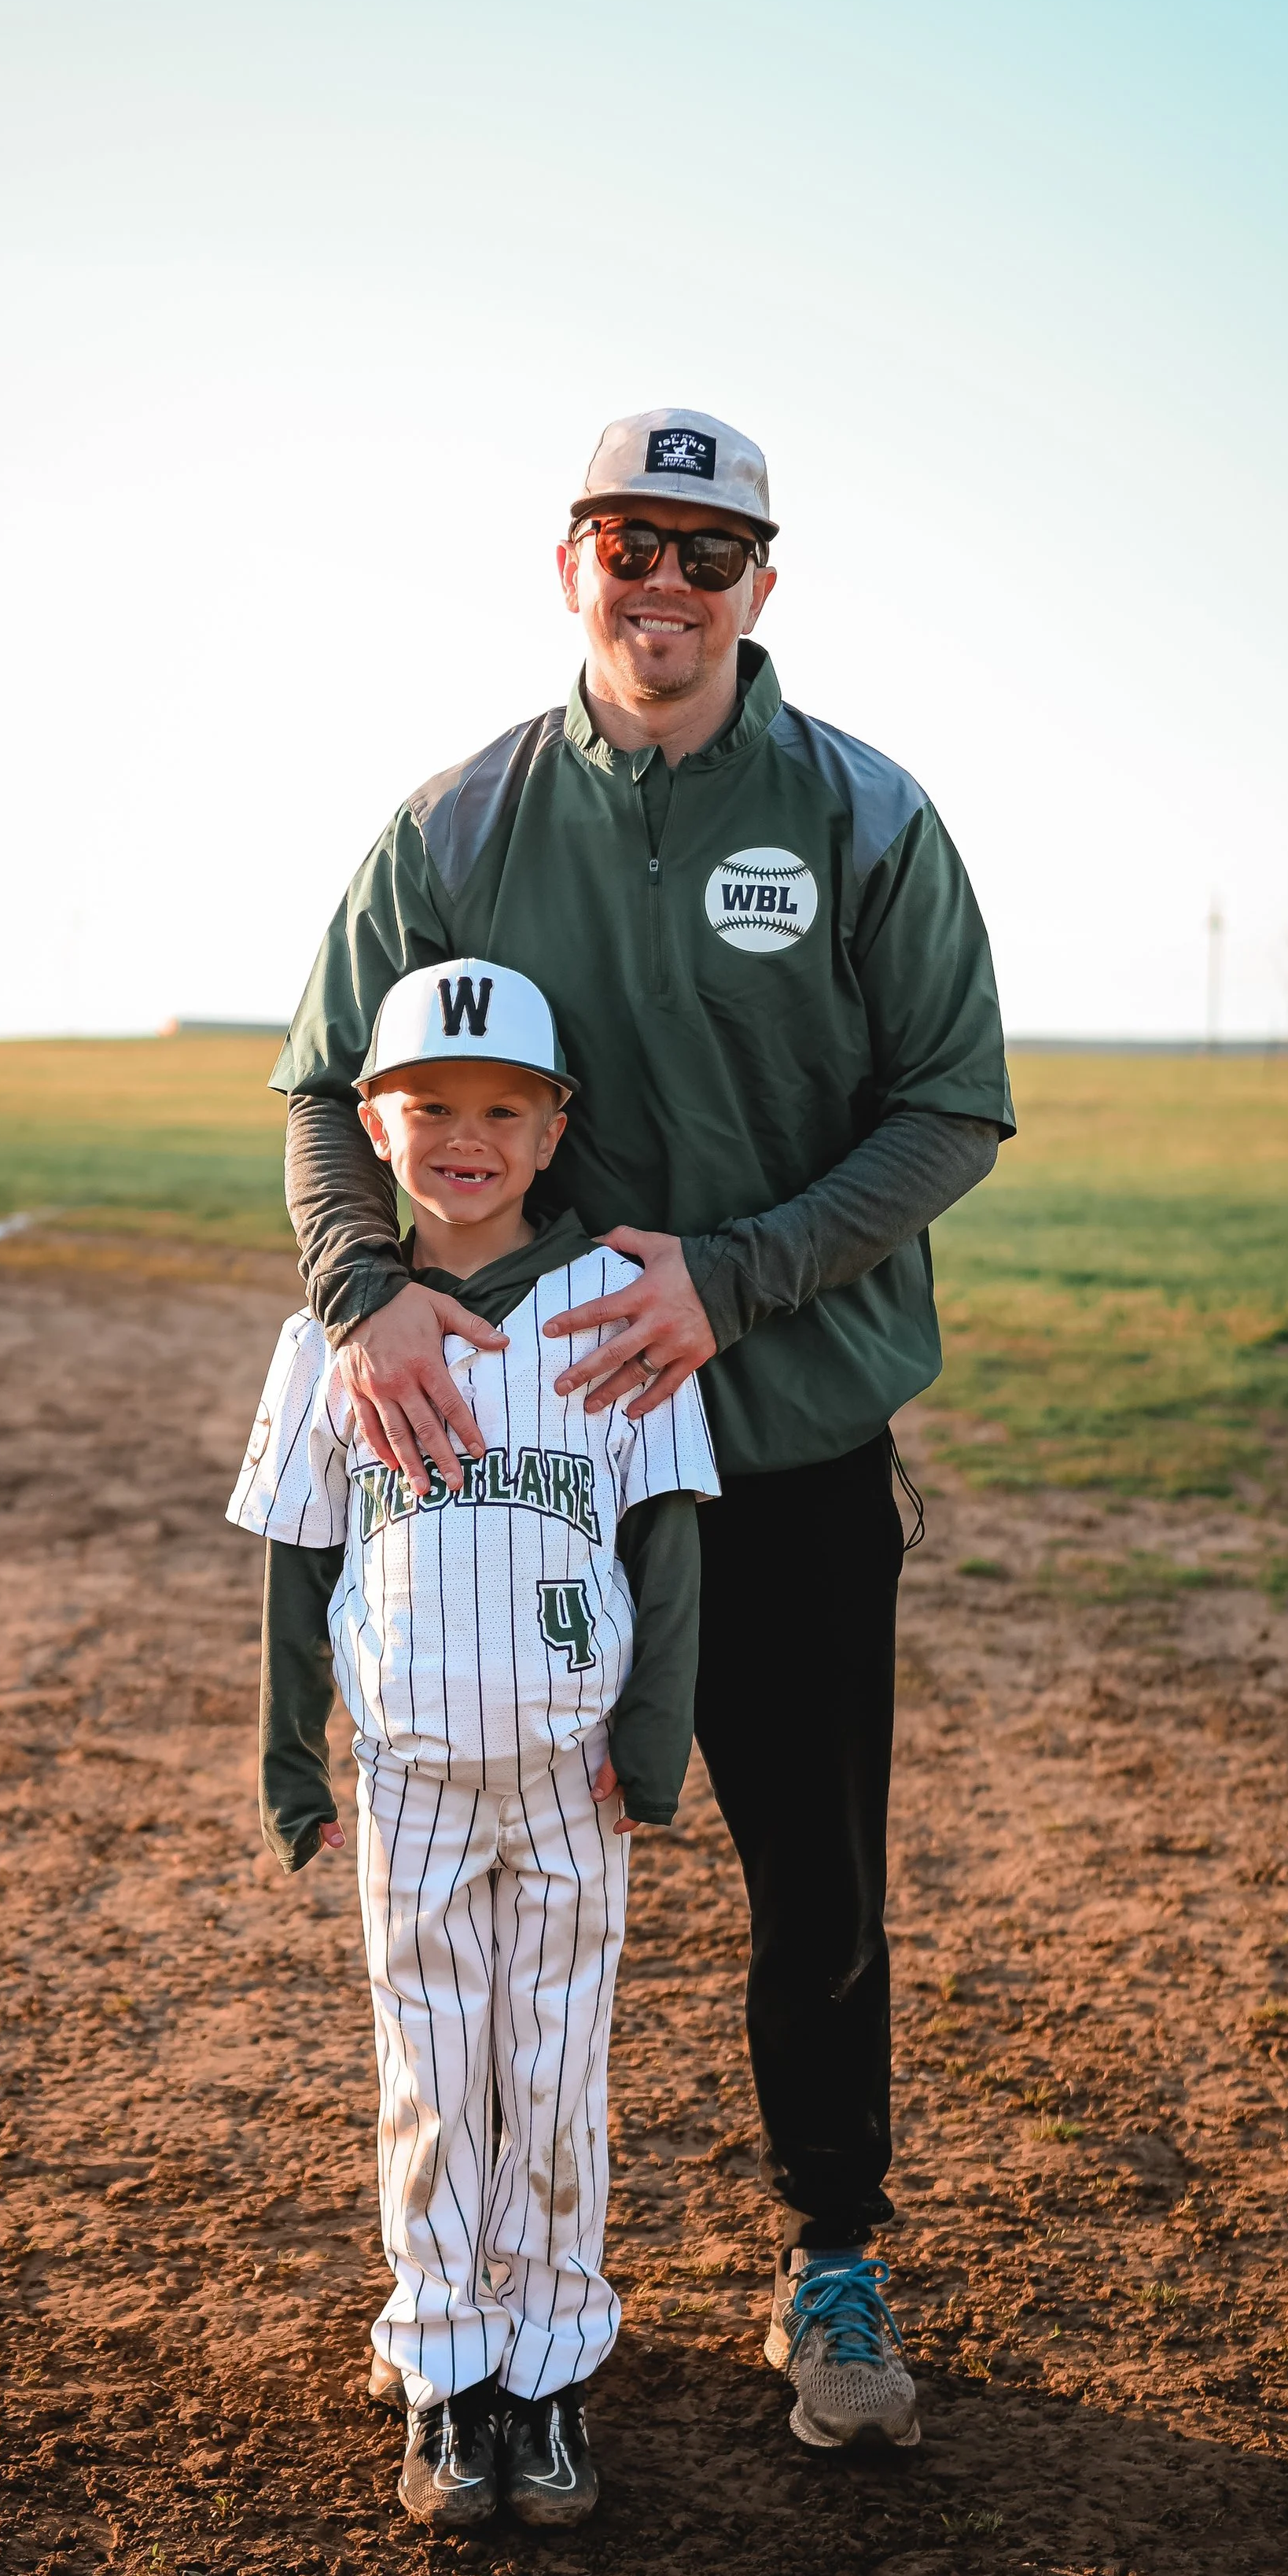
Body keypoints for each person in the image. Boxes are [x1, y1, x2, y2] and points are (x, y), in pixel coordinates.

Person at [276, 407, 1013, 2452]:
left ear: (761, 586)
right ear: (568, 561)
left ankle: (833, 2261)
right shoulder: (455, 829)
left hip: (779, 1445)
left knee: (815, 1880)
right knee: (503, 1895)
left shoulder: (864, 821)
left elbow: (949, 1110)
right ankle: (494, 2293)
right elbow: (328, 1098)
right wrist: (369, 1290)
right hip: (534, 1482)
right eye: (629, 539)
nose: (663, 583)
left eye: (708, 550)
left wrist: (740, 1271)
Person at [228, 959, 717, 2530]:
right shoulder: (333, 1338)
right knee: (433, 2073)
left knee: (554, 2072)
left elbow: (666, 1544)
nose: (465, 1137)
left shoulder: (611, 1307)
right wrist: (290, 1760)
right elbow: (298, 1557)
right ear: (370, 1121)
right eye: (428, 1106)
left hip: (572, 1777)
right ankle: (448, 2373)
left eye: (503, 1110)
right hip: (410, 1776)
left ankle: (549, 2368)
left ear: (554, 1128)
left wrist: (651, 1744)